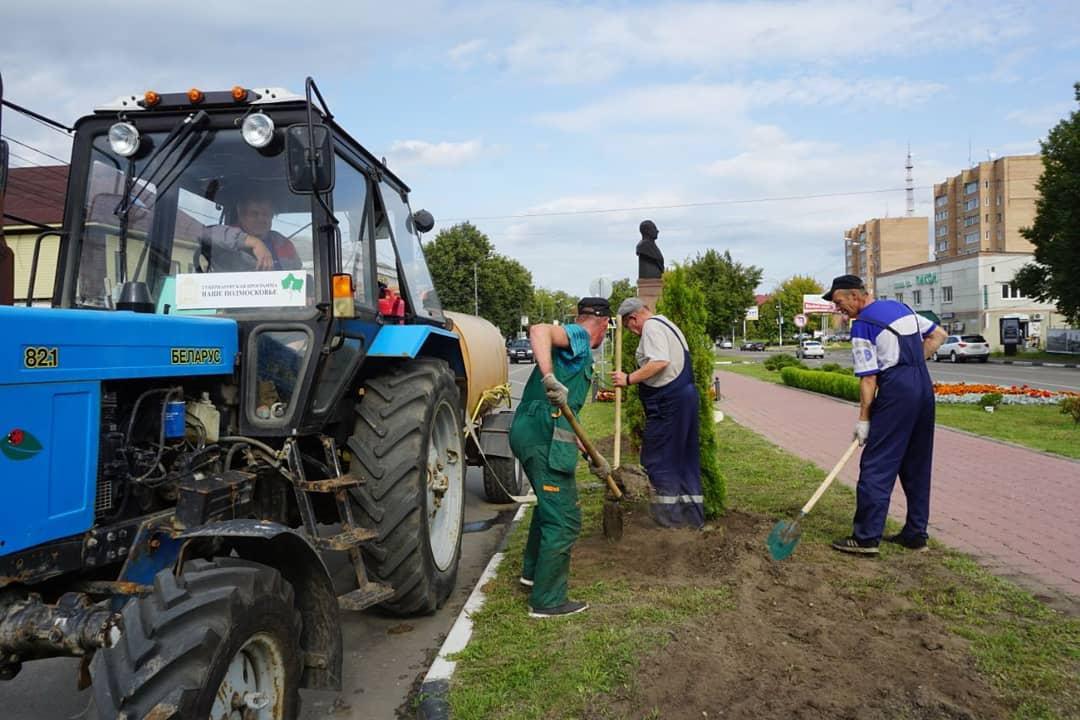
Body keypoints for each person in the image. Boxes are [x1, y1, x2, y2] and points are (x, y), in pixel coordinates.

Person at [824, 274, 948, 555]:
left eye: (839, 302)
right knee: (916, 464)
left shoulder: (863, 325)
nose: (838, 308)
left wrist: (864, 420)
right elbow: (938, 334)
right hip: (922, 387)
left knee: (877, 464)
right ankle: (916, 534)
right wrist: (911, 363)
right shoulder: (901, 308)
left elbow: (869, 379)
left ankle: (866, 537)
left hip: (896, 391)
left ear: (855, 296)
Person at [509, 297, 612, 618]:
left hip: (539, 431)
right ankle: (548, 600)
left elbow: (567, 418)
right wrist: (548, 376)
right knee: (565, 520)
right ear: (603, 324)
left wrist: (592, 455)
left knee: (548, 506)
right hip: (542, 435)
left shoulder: (579, 349)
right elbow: (539, 329)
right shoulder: (580, 336)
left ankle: (532, 574)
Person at [612, 297, 704, 529]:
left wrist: (628, 379)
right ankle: (691, 518)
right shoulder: (666, 324)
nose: (632, 332)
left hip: (669, 403)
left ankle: (668, 521)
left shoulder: (651, 328)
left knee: (659, 459)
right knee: (684, 459)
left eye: (629, 326)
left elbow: (659, 362)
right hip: (683, 398)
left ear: (633, 319)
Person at [202, 190, 301, 272]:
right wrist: (254, 242)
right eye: (254, 214)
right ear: (241, 215)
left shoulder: (283, 244)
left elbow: (297, 273)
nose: (261, 219)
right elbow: (205, 234)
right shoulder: (227, 238)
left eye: (266, 214)